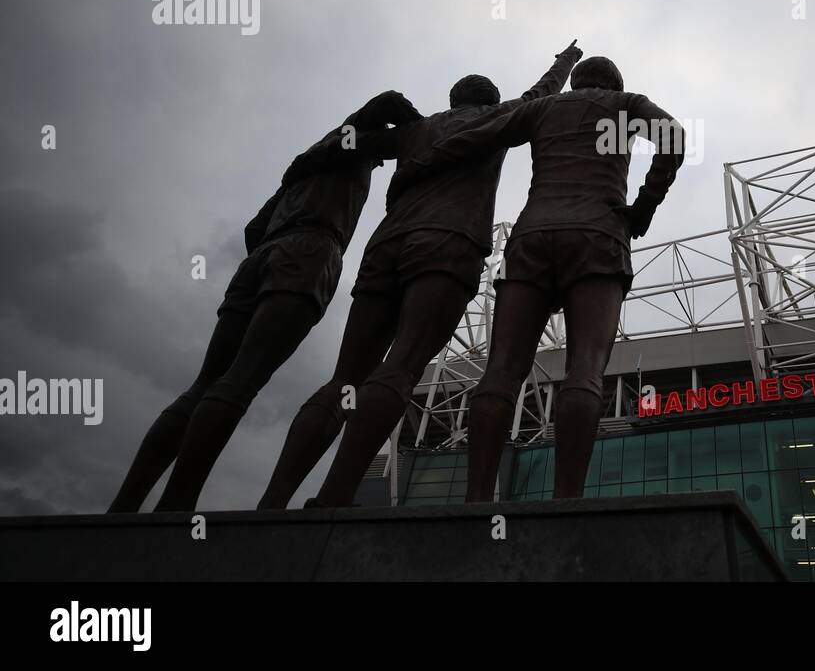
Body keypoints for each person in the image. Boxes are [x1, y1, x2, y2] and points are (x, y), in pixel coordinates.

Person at [258, 40, 583, 509]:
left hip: (386, 244)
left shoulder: (415, 131)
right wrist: (566, 60)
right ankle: (334, 496)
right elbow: (542, 94)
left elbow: (345, 146)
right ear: (490, 101)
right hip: (447, 245)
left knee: (343, 380)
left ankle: (273, 501)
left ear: (453, 98)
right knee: (402, 366)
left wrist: (347, 130)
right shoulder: (501, 118)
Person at [107, 91, 421, 512]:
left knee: (205, 382)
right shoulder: (351, 140)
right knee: (242, 380)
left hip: (262, 256)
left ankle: (126, 504)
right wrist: (420, 129)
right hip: (309, 252)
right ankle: (177, 504)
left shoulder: (301, 166)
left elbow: (253, 228)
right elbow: (390, 105)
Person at [387, 56, 683, 501]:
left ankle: (475, 502)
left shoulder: (544, 109)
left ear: (579, 81)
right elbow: (673, 137)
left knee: (501, 371)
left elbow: (477, 136)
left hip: (531, 238)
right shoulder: (627, 104)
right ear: (613, 83)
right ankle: (567, 501)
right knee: (585, 368)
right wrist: (644, 205)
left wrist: (418, 166)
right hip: (598, 236)